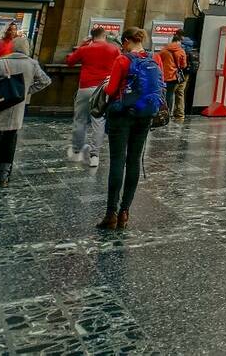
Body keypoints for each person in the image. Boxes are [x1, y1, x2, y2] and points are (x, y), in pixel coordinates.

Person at [98, 27, 164, 231]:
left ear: (126, 41)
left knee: (117, 161)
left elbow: (110, 90)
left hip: (122, 115)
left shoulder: (123, 60)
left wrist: (108, 83)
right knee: (134, 161)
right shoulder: (156, 59)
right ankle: (125, 211)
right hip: (144, 116)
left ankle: (111, 213)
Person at [0, 37, 50, 186]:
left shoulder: (1, 63)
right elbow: (45, 81)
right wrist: (24, 92)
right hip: (17, 108)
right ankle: (3, 176)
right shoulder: (32, 64)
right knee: (10, 140)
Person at [66, 26, 121, 169]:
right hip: (102, 89)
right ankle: (94, 156)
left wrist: (83, 44)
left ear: (91, 36)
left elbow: (70, 61)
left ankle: (77, 151)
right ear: (104, 36)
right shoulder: (113, 49)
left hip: (85, 87)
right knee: (99, 121)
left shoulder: (85, 49)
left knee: (80, 119)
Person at [158, 32, 189, 121]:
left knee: (162, 94)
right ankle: (168, 113)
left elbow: (158, 61)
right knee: (170, 95)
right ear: (179, 41)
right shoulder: (181, 51)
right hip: (173, 76)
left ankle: (160, 112)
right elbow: (184, 65)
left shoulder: (164, 50)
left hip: (163, 75)